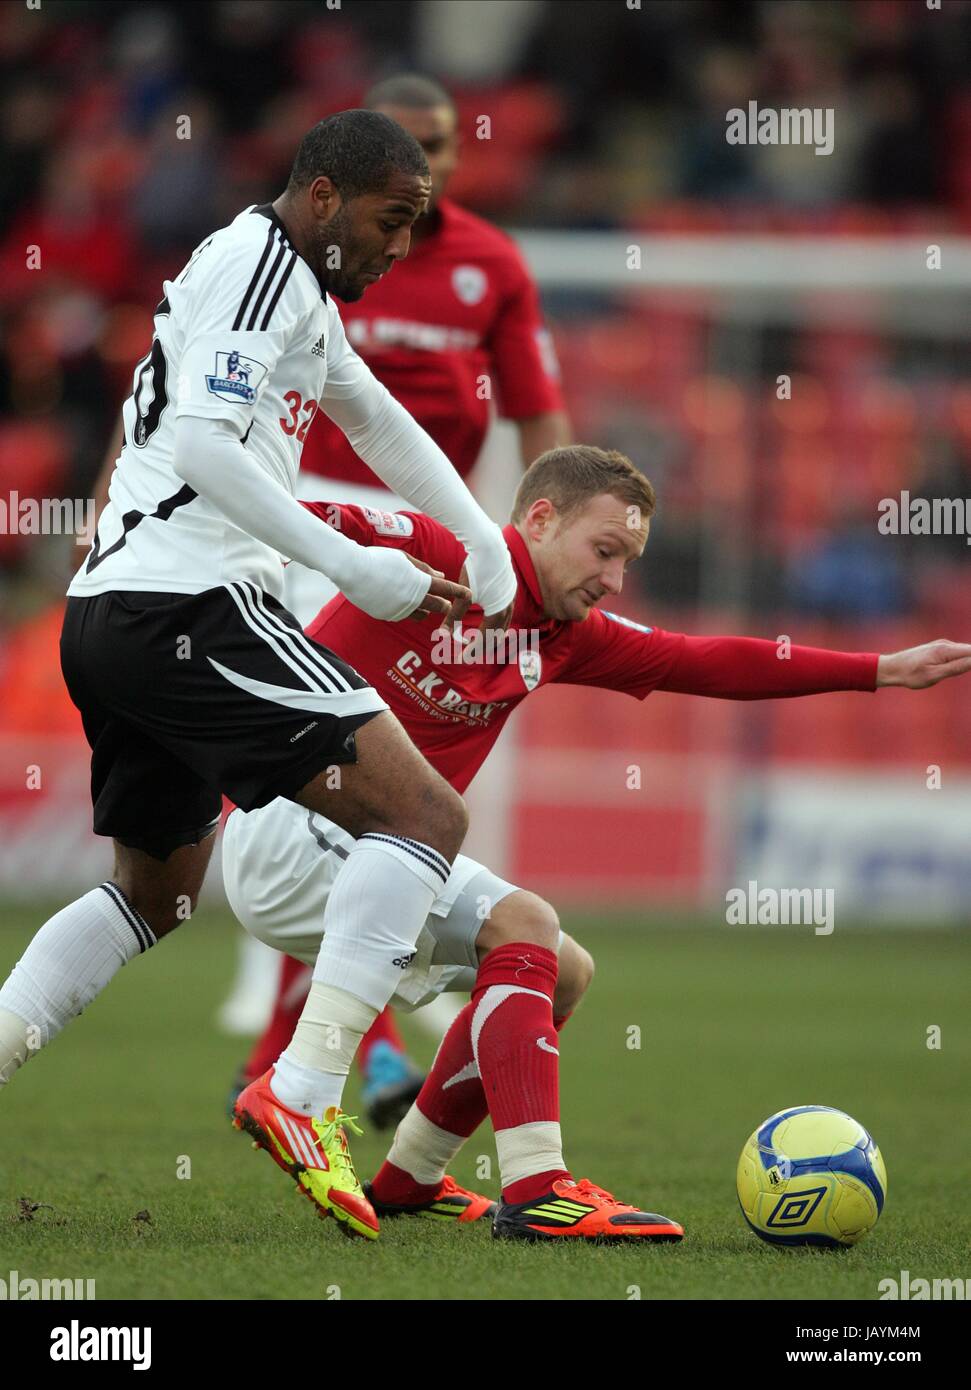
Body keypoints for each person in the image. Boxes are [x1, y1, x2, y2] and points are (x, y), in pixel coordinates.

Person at [222, 443, 971, 1241]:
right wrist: (150, 531)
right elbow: (299, 512)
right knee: (526, 924)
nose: (615, 579)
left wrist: (879, 670)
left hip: (380, 851)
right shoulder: (438, 553)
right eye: (604, 550)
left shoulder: (565, 633)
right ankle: (537, 1187)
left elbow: (709, 660)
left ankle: (410, 1176)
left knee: (562, 972)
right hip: (292, 821)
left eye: (627, 561)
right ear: (539, 520)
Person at [0, 110, 517, 1244]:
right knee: (425, 813)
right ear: (323, 197)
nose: (398, 248)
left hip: (114, 616)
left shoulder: (293, 288)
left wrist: (474, 530)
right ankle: (301, 1088)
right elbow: (201, 448)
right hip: (189, 603)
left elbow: (369, 415)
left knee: (157, 893)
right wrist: (355, 569)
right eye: (389, 220)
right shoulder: (256, 264)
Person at [221, 73, 571, 1106]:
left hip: (432, 537)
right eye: (409, 144)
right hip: (299, 526)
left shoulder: (489, 265)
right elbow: (199, 390)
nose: (431, 163)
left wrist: (543, 532)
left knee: (382, 792)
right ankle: (339, 1046)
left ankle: (298, 1047)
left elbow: (537, 412)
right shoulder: (315, 253)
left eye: (442, 145)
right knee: (336, 784)